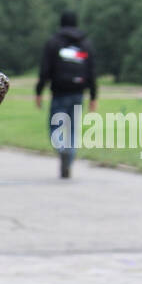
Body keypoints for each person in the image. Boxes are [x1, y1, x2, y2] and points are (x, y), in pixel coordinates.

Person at [35, 10, 97, 179]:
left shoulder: (54, 43)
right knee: (72, 130)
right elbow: (91, 72)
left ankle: (61, 149)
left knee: (55, 127)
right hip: (78, 93)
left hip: (59, 93)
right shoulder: (85, 45)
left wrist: (39, 91)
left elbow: (45, 70)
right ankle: (68, 158)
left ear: (61, 23)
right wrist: (93, 96)